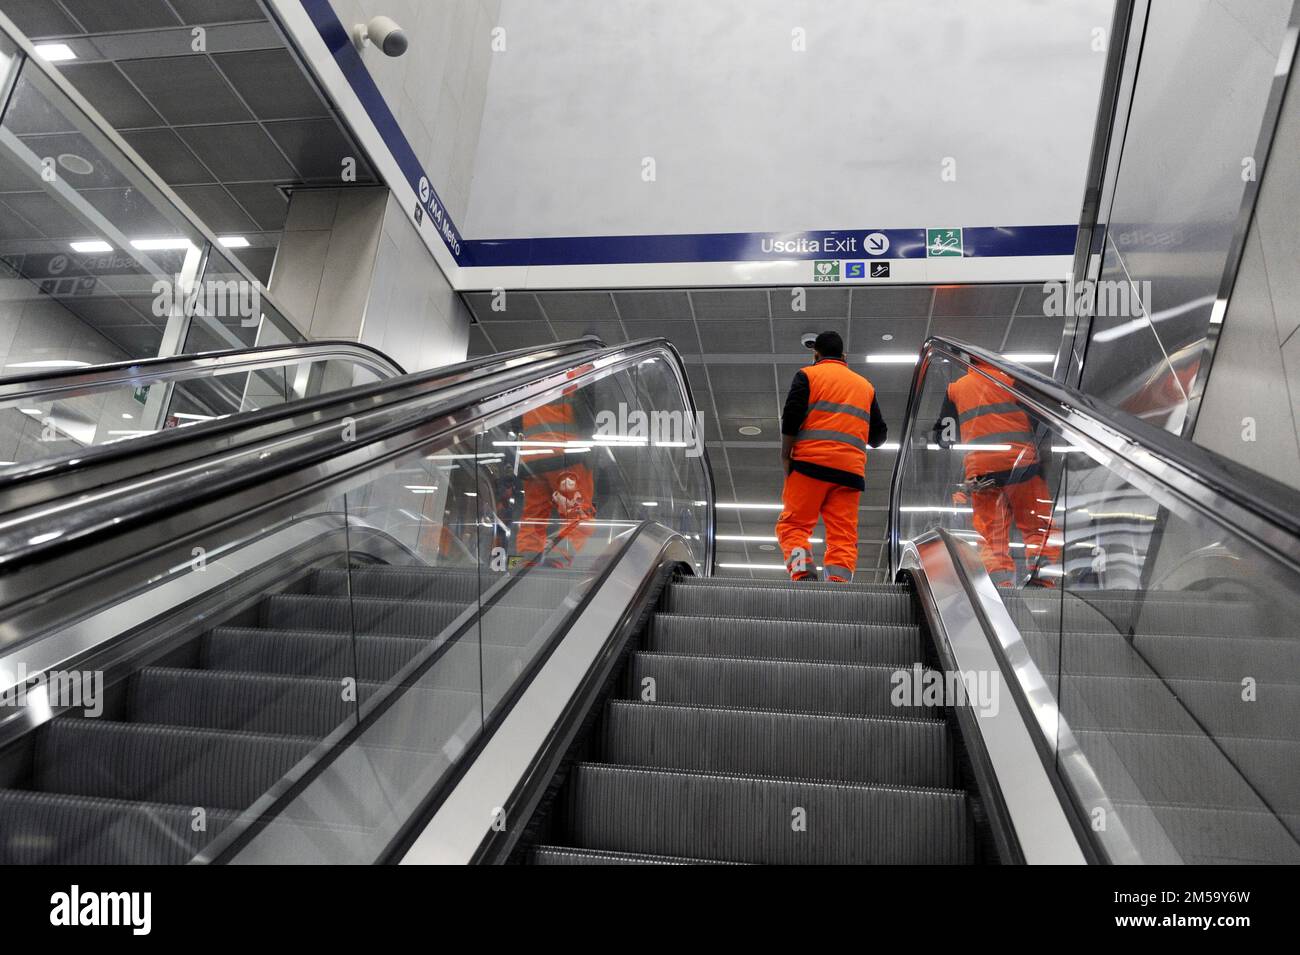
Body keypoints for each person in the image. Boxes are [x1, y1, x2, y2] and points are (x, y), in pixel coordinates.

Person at [933, 357, 1061, 587]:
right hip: (1023, 468)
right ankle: (1042, 578)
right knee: (1037, 526)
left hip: (981, 474)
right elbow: (1042, 423)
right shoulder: (1012, 380)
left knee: (991, 538)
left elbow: (943, 437)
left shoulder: (955, 389)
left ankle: (999, 585)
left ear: (969, 362)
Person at [776, 331, 887, 582]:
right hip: (849, 474)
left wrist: (786, 455)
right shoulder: (865, 387)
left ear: (816, 355)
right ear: (844, 356)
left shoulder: (808, 375)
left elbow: (791, 417)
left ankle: (802, 571)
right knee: (843, 534)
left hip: (809, 467)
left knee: (794, 526)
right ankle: (838, 584)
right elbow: (879, 437)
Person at [514, 369, 596, 569]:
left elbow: (516, 421)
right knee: (578, 516)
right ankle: (557, 561)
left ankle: (525, 563)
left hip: (531, 458)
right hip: (565, 455)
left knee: (534, 515)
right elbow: (588, 418)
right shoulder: (582, 372)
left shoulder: (538, 378)